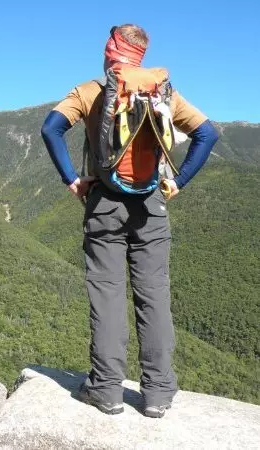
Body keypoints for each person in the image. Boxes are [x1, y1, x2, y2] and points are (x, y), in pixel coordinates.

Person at [41, 24, 218, 418]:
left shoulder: (90, 91)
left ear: (109, 52)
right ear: (139, 55)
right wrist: (179, 181)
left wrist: (72, 179)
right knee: (154, 296)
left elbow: (50, 129)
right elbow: (207, 135)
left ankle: (105, 390)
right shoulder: (163, 92)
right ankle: (157, 394)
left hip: (104, 205)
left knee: (107, 294)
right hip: (152, 205)